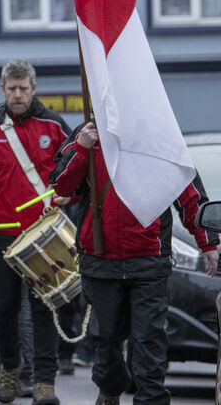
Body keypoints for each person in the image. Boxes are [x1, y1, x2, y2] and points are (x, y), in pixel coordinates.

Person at [50, 121, 217, 405]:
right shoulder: (87, 131)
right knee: (105, 338)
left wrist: (208, 243)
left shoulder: (160, 134)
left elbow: (188, 192)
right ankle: (110, 388)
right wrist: (81, 147)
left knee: (149, 338)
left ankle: (150, 399)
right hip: (100, 259)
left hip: (149, 257)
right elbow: (61, 185)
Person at [0, 59, 72, 405]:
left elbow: (75, 166)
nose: (18, 94)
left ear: (34, 89)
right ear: (3, 89)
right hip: (1, 233)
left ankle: (45, 382)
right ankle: (9, 367)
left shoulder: (54, 125)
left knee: (44, 309)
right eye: (12, 89)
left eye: (24, 88)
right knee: (2, 308)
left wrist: (70, 191)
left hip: (44, 233)